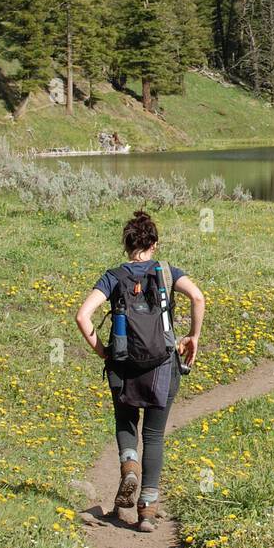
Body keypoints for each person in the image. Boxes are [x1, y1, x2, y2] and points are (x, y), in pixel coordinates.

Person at [75, 209, 205, 531]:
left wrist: (102, 352)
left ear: (127, 245)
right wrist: (193, 337)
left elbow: (82, 316)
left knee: (126, 420)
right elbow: (198, 297)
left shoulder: (113, 276)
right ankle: (147, 509)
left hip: (122, 365)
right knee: (155, 435)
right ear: (154, 244)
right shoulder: (166, 272)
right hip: (162, 365)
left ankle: (128, 465)